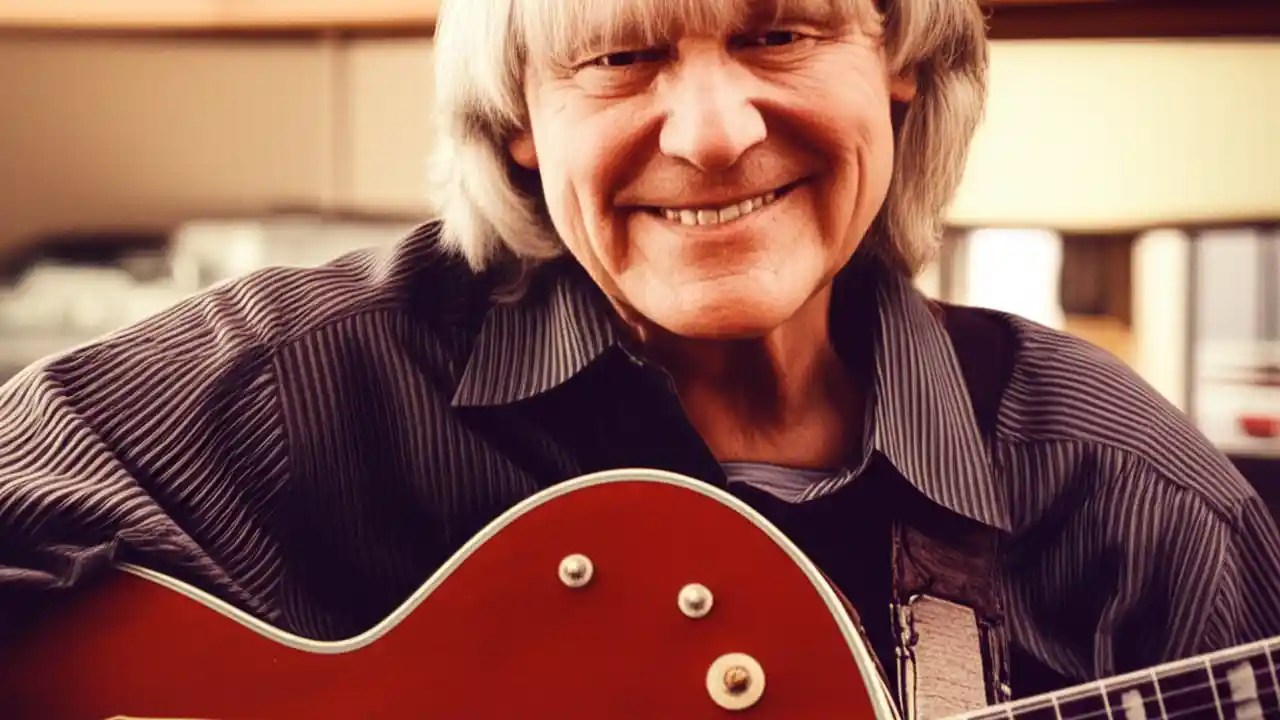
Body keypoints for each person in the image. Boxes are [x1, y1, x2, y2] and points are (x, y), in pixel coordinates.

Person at [2, 0, 1278, 706]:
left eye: (781, 32)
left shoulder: (1126, 499)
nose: (713, 134)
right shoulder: (307, 387)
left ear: (896, 65)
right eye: (620, 56)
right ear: (518, 122)